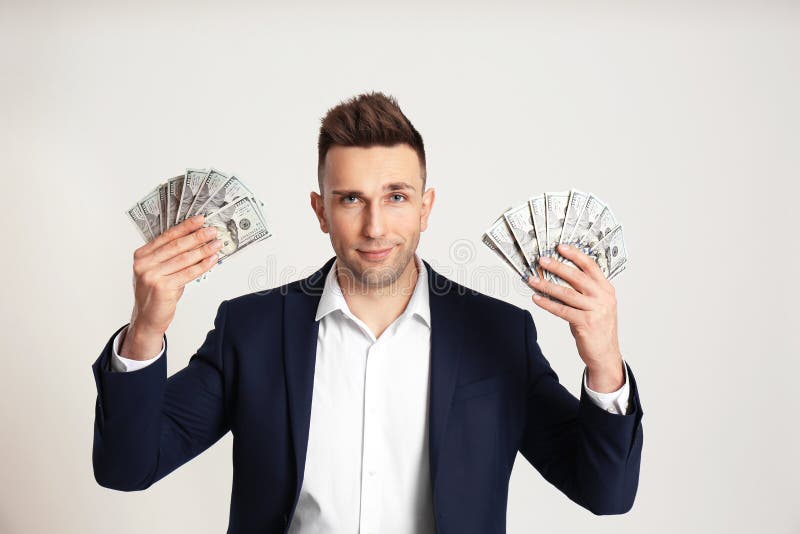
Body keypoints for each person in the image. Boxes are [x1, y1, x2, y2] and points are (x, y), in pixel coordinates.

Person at [91, 92, 644, 534]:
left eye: (397, 196)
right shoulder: (251, 330)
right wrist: (146, 329)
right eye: (351, 199)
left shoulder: (500, 336)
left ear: (426, 207)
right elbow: (127, 467)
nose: (375, 227)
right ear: (321, 211)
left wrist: (604, 363)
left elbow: (605, 494)